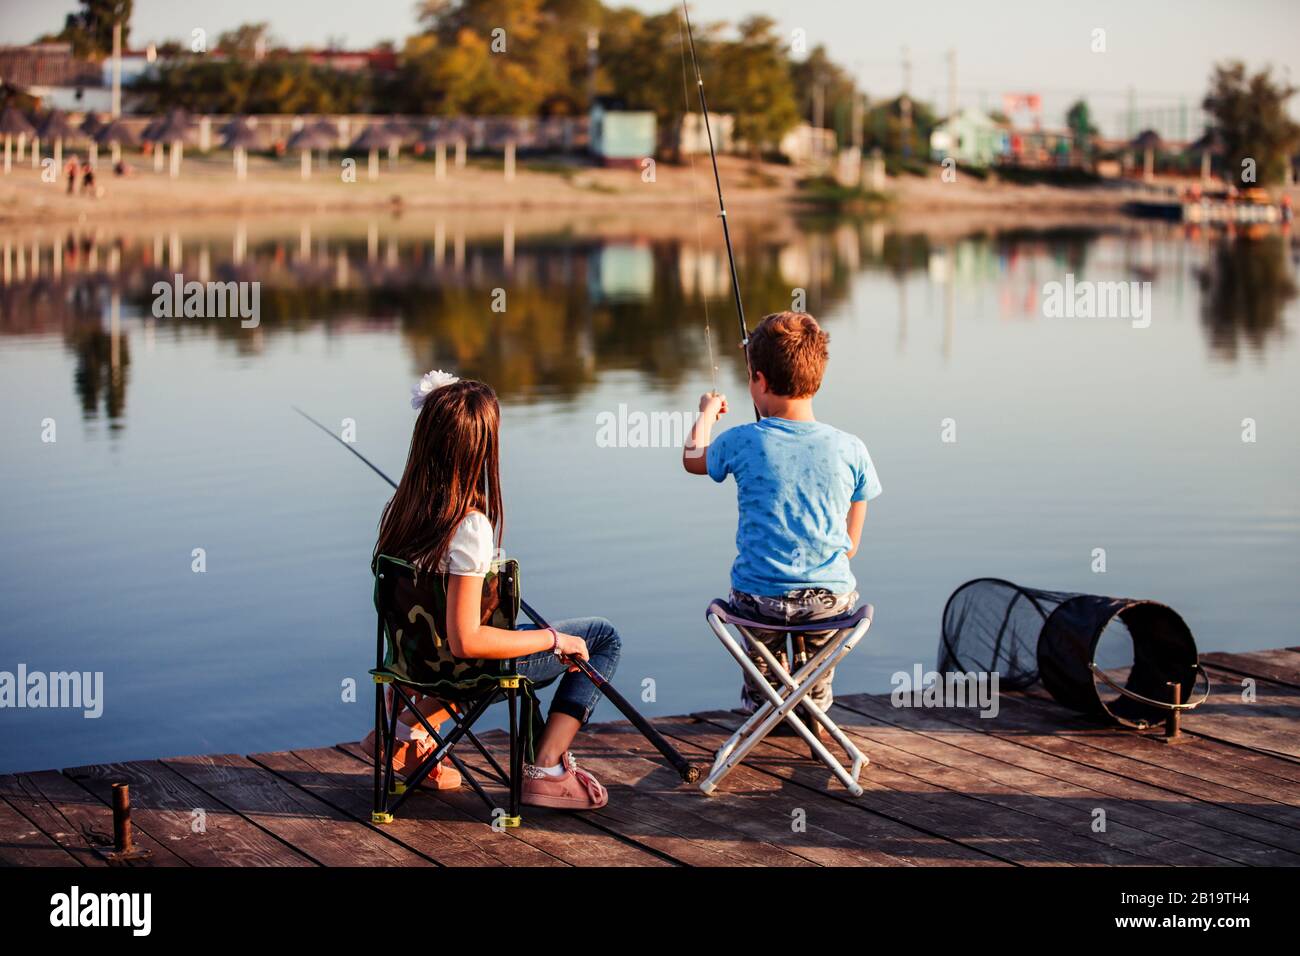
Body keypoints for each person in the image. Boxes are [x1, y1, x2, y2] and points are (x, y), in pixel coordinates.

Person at [365, 371, 620, 810]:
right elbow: (467, 641)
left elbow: (411, 613)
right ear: (481, 448)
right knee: (599, 638)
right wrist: (555, 641)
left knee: (510, 638)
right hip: (466, 670)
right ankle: (547, 767)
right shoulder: (470, 526)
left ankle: (405, 731)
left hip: (415, 666)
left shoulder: (402, 511)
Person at [683, 311, 881, 733]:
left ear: (759, 380)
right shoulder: (851, 448)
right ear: (817, 378)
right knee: (816, 673)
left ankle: (765, 702)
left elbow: (691, 459)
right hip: (828, 605)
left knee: (765, 684)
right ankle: (816, 705)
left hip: (758, 602)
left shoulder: (742, 440)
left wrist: (705, 413)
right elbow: (850, 545)